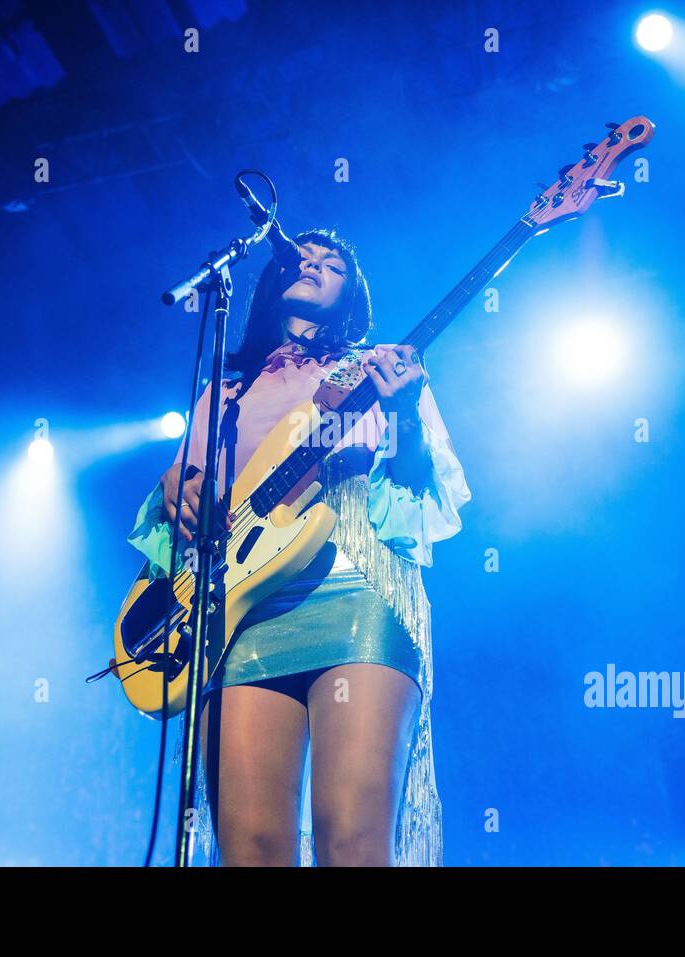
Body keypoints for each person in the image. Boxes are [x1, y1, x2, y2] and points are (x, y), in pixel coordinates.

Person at [127, 227, 470, 865]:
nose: (310, 263)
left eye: (330, 262)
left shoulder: (376, 372)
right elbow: (184, 521)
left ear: (352, 293)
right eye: (298, 257)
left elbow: (420, 494)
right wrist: (175, 490)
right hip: (239, 614)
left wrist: (404, 416)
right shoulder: (224, 396)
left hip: (355, 593)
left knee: (352, 838)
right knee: (250, 848)